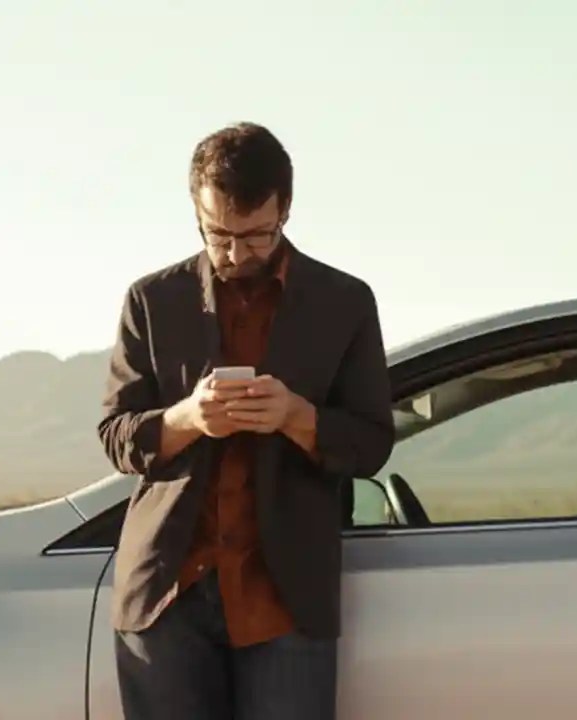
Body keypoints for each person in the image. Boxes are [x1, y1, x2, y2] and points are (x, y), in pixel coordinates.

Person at [97, 121, 395, 720]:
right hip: (165, 598)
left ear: (285, 209)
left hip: (285, 598)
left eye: (256, 236)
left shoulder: (345, 302)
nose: (236, 254)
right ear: (196, 213)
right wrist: (186, 418)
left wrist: (296, 416)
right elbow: (116, 436)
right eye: (218, 236)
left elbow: (371, 443)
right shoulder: (152, 300)